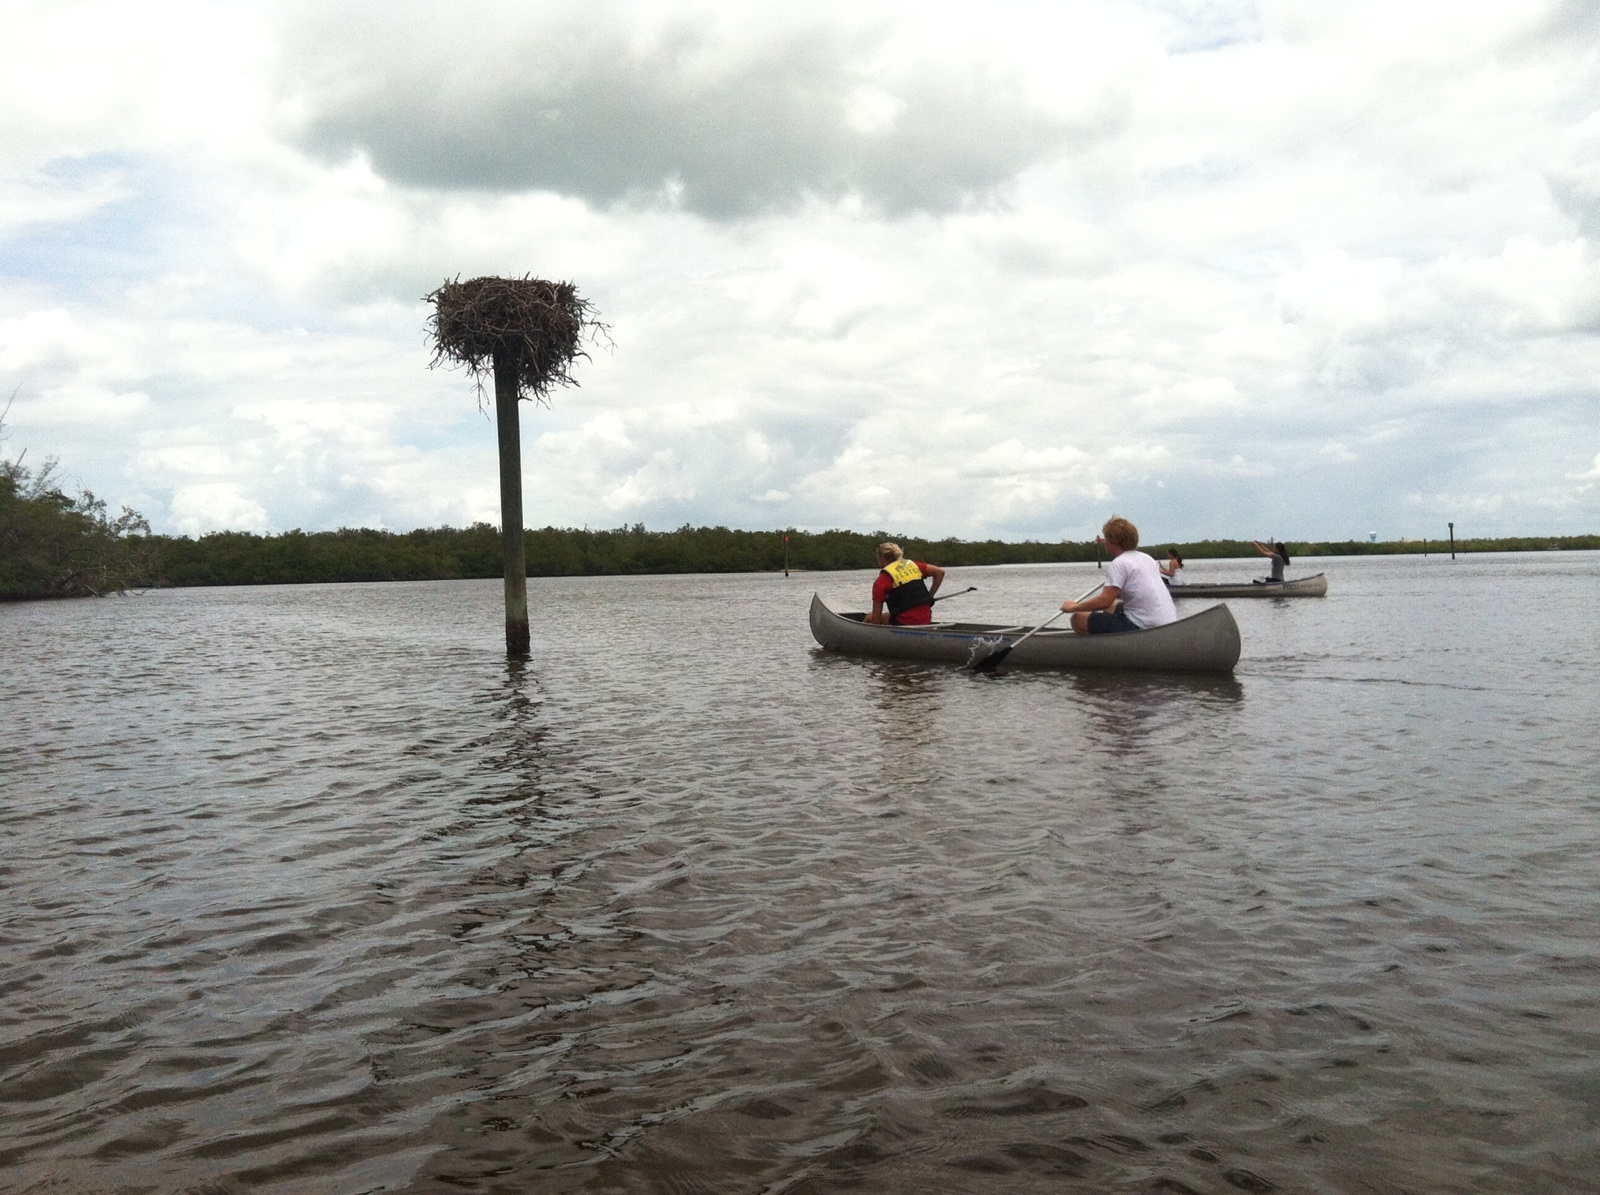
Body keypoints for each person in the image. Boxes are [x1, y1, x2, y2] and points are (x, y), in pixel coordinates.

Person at [1060, 516, 1177, 634]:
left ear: (1115, 541)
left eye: (1106, 538)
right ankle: (1106, 635)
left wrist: (1073, 607)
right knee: (1111, 607)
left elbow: (1104, 601)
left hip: (1142, 626)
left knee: (1078, 619)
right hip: (1167, 622)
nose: (1104, 542)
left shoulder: (1119, 563)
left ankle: (1107, 648)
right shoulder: (1147, 558)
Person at [865, 542, 945, 625]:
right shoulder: (913, 565)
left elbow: (876, 620)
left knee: (869, 617)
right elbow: (940, 572)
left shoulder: (881, 581)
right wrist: (930, 595)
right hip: (926, 619)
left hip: (905, 622)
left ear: (881, 559)